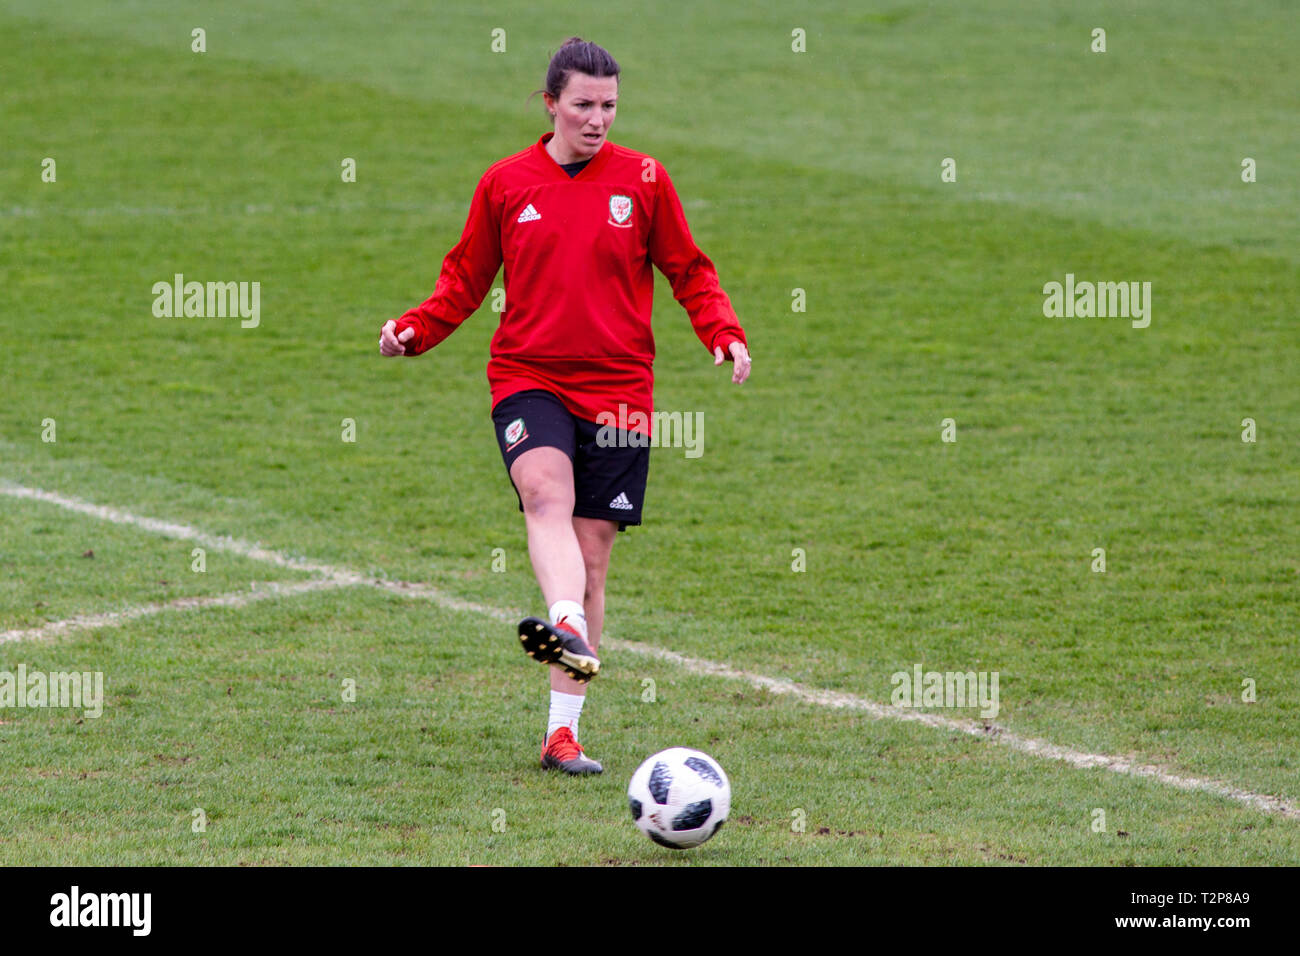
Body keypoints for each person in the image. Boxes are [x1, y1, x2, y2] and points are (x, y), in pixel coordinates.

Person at [378, 37, 751, 775]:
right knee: (543, 495)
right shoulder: (506, 184)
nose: (597, 119)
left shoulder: (644, 180)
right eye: (582, 105)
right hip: (529, 374)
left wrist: (723, 331)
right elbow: (464, 278)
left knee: (591, 557)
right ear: (549, 103)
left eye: (609, 106)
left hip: (619, 387)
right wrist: (411, 333)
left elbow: (688, 268)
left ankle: (562, 735)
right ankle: (568, 621)